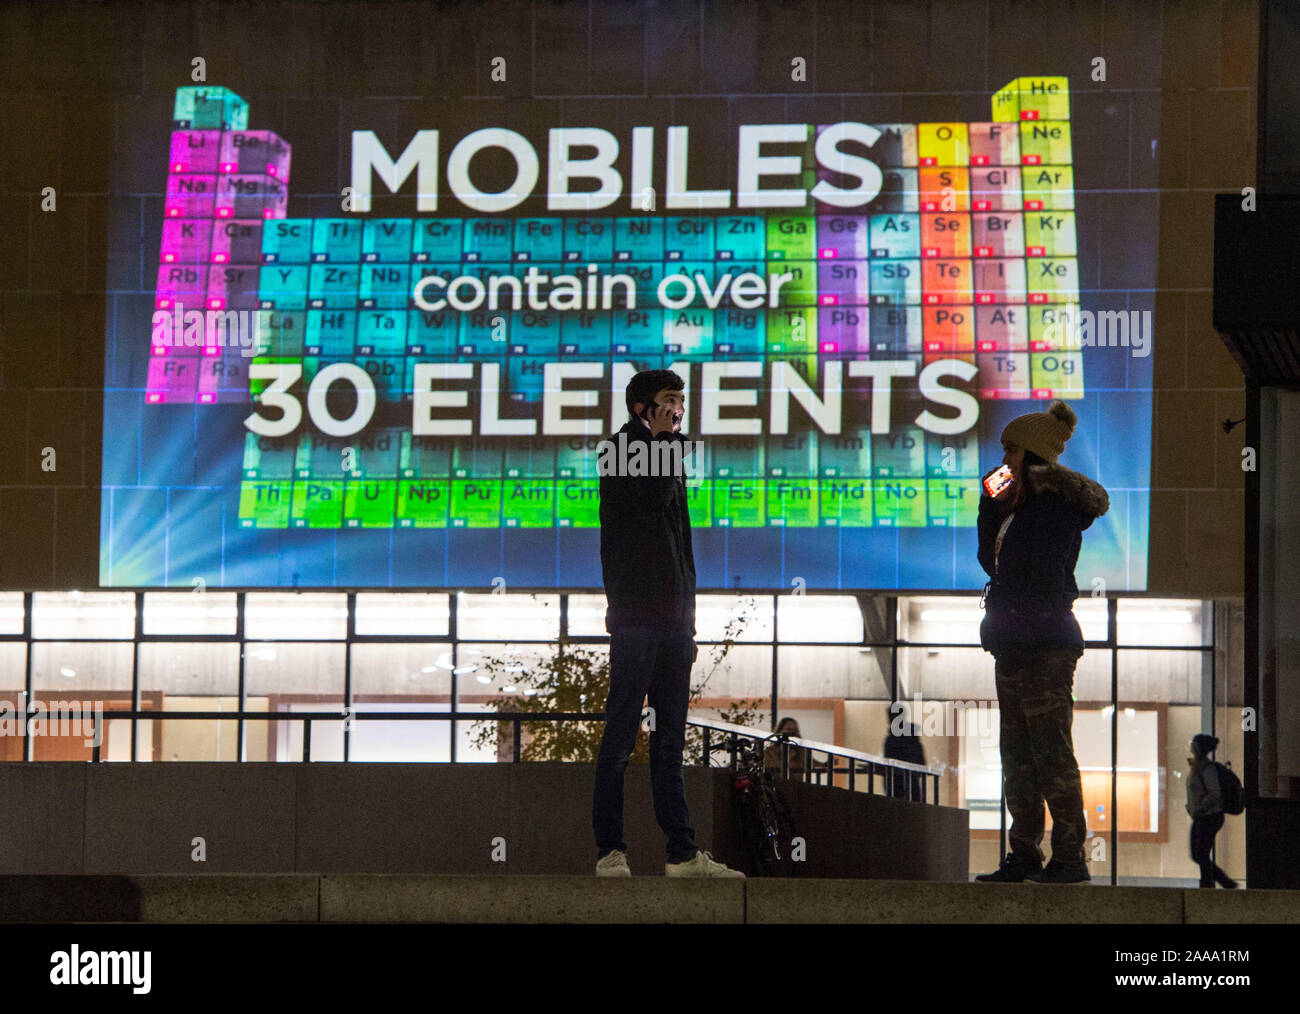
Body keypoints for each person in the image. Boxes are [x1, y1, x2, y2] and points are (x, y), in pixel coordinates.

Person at [592, 369, 743, 878]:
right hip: (635, 622)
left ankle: (682, 853)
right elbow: (645, 509)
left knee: (670, 743)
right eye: (669, 399)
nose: (679, 408)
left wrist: (688, 626)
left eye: (682, 399)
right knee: (620, 739)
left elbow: (682, 552)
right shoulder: (617, 452)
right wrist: (662, 444)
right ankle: (610, 853)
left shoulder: (668, 457)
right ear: (642, 408)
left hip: (674, 627)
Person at [973, 400, 1109, 885]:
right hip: (1015, 644)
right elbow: (991, 562)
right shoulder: (1018, 505)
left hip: (1044, 646)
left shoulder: (1053, 508)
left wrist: (1013, 622)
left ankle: (1069, 858)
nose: (1003, 458)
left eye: (1010, 450)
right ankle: (1025, 855)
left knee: (1050, 752)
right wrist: (990, 502)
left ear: (1030, 454)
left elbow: (1038, 578)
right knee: (1018, 756)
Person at [1187, 733, 1238, 889]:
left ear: (1198, 747)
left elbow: (1215, 794)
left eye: (1192, 743)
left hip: (1209, 816)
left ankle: (1209, 885)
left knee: (1200, 853)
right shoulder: (1198, 766)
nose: (1190, 745)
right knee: (1198, 854)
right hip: (1202, 816)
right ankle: (1223, 883)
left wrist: (1200, 806)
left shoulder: (1207, 768)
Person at [883, 705, 927, 801]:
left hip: (897, 786)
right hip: (911, 786)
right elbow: (921, 762)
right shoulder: (912, 739)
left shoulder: (892, 740)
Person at [764, 716, 807, 781]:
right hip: (777, 785)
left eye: (795, 730)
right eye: (789, 729)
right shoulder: (770, 751)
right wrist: (788, 758)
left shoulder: (801, 750)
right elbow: (773, 768)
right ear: (779, 731)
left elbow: (813, 763)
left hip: (798, 785)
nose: (792, 733)